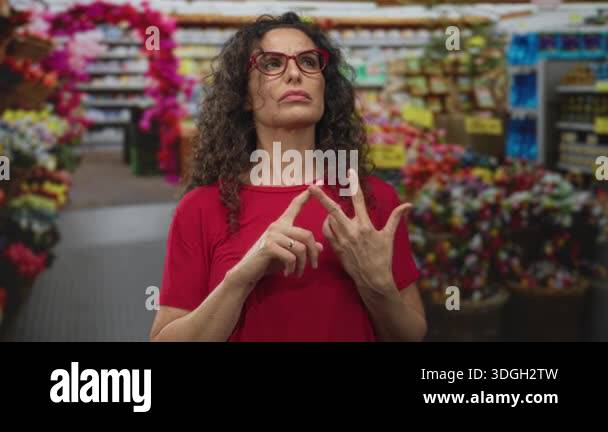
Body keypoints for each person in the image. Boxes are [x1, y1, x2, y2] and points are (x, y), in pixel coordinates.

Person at [150, 12, 427, 342]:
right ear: (245, 96)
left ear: (326, 86)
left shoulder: (373, 200)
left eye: (309, 61)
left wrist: (378, 286)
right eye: (270, 64)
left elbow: (412, 335)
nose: (295, 73)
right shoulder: (202, 207)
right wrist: (240, 279)